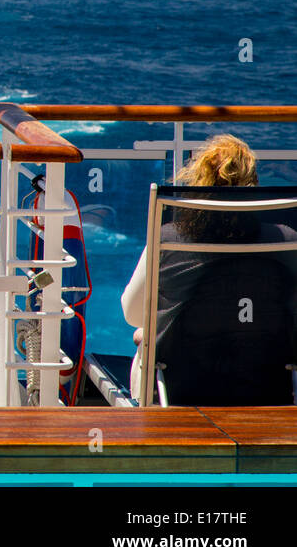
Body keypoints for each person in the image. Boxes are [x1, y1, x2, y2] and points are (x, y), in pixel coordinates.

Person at [120, 134, 297, 402]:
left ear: (198, 184)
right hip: (266, 394)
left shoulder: (167, 240)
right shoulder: (286, 240)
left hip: (180, 393)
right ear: (254, 187)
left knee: (143, 336)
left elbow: (133, 313)